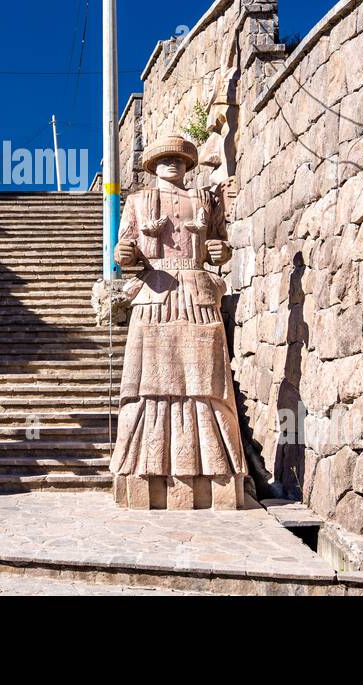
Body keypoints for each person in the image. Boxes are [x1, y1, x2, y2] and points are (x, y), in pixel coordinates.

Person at [111, 135, 249, 509]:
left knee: (205, 382)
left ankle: (213, 471)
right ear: (152, 165)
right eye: (164, 158)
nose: (172, 163)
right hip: (155, 292)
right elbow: (123, 251)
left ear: (188, 165)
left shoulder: (204, 199)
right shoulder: (138, 202)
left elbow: (219, 246)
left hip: (196, 292)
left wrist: (220, 250)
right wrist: (124, 253)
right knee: (149, 383)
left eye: (178, 158)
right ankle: (145, 469)